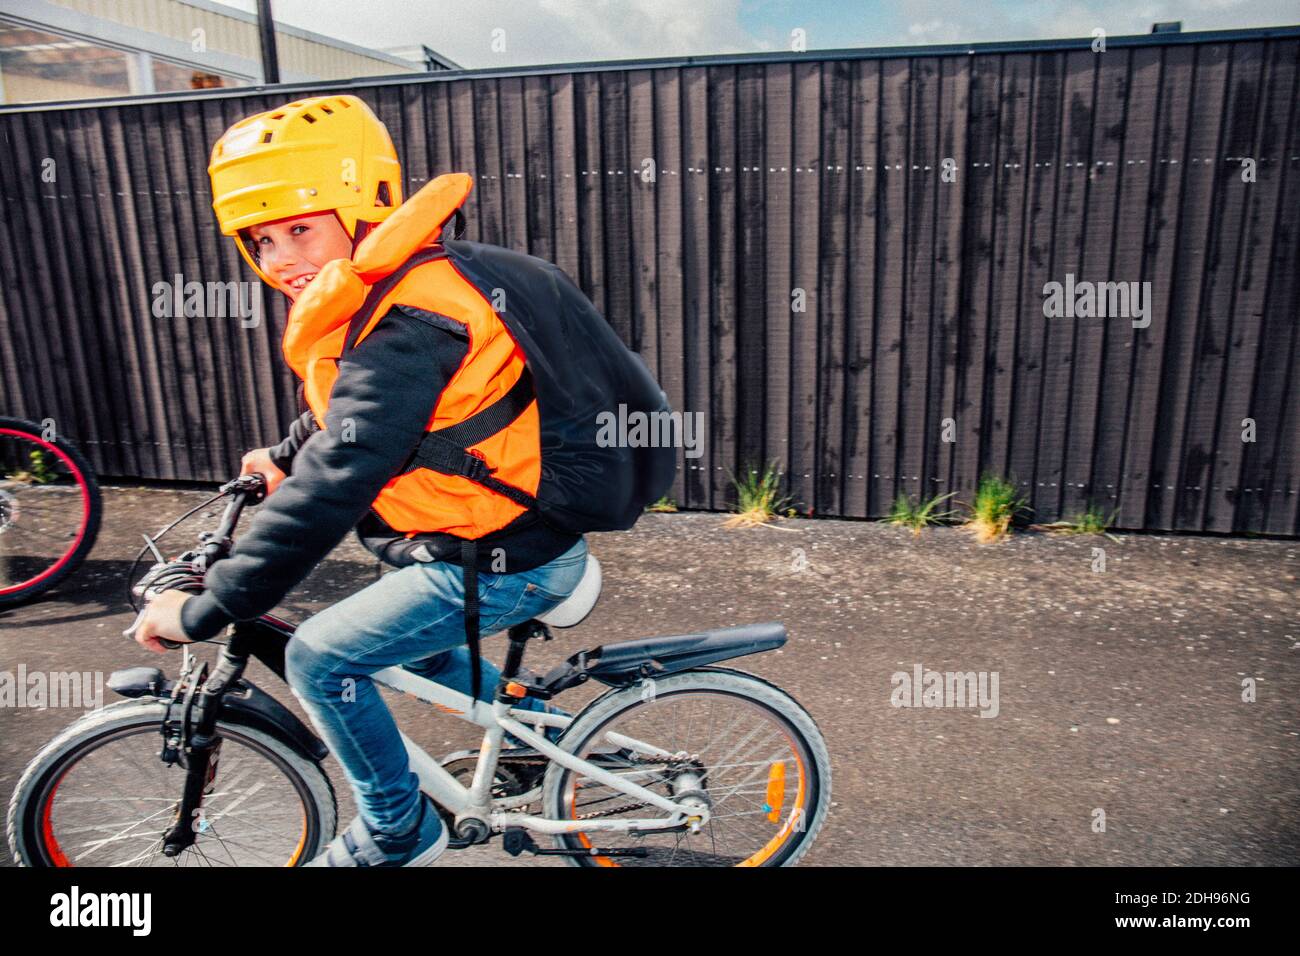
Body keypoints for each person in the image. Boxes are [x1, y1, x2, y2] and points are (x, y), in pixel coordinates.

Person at [130, 94, 587, 867]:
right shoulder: (386, 290)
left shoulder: (412, 319)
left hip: (510, 557)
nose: (281, 260)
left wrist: (211, 606)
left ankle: (398, 830)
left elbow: (339, 477)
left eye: (301, 228)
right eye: (260, 240)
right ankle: (532, 726)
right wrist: (281, 454)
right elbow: (349, 415)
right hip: (478, 534)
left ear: (366, 210)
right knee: (394, 644)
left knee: (320, 657)